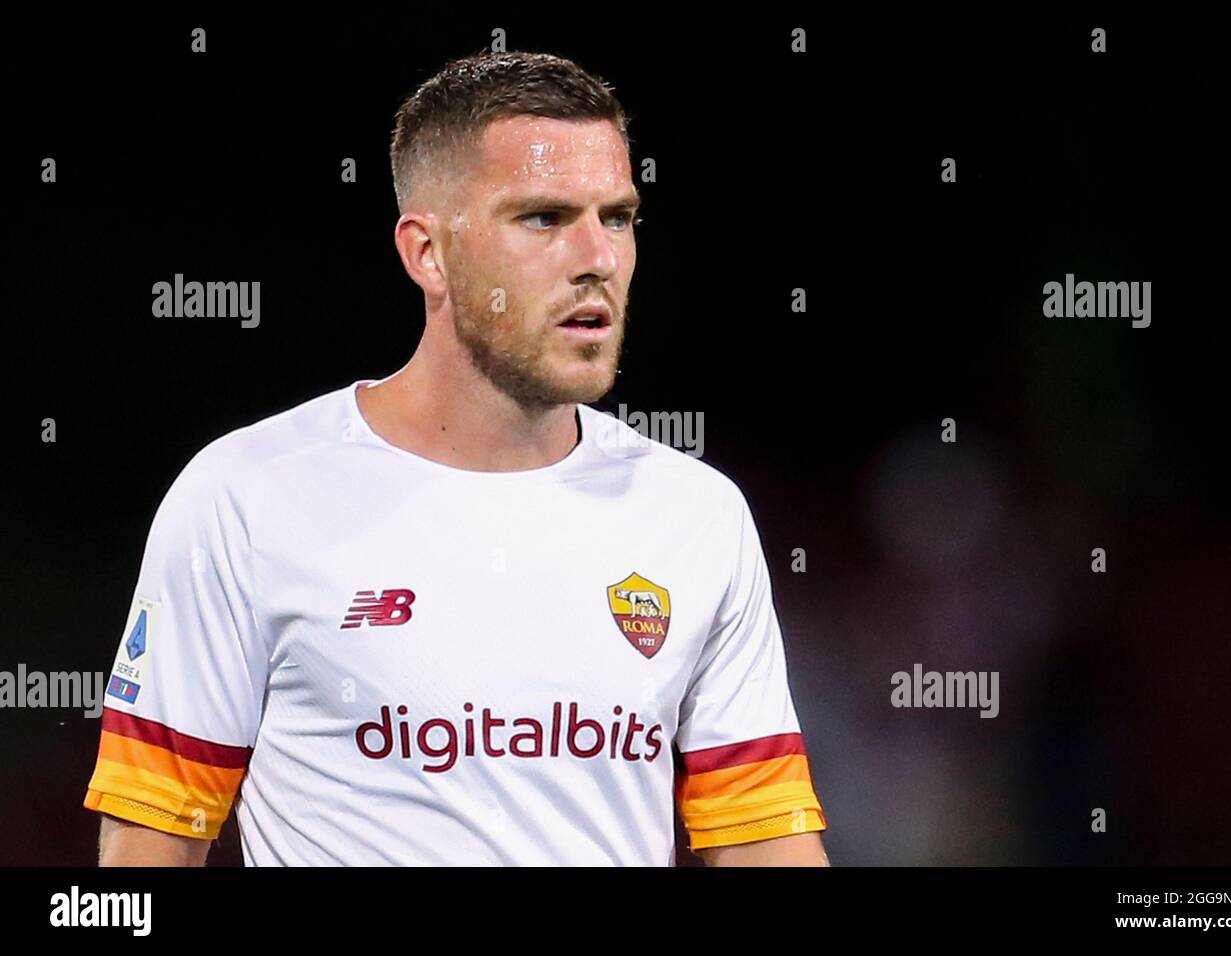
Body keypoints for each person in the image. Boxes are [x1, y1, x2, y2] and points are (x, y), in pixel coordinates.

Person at [85, 50, 828, 866]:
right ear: (427, 253)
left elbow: (764, 844)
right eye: (543, 218)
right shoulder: (248, 497)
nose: (599, 258)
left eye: (617, 217)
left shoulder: (697, 515)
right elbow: (146, 857)